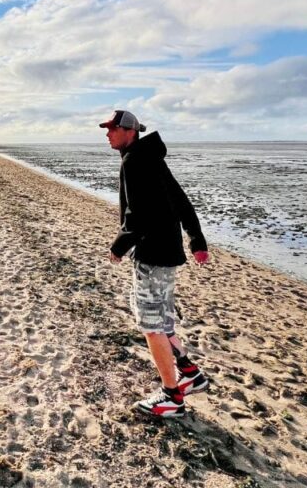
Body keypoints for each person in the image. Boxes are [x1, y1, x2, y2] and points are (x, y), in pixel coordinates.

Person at [101, 109, 210, 418]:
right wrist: (196, 239)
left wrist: (119, 247)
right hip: (167, 252)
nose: (107, 133)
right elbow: (180, 200)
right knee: (161, 320)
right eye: (107, 128)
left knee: (151, 326)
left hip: (151, 254)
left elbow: (138, 216)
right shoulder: (150, 157)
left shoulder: (135, 160)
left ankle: (172, 397)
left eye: (111, 128)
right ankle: (189, 373)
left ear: (129, 131)